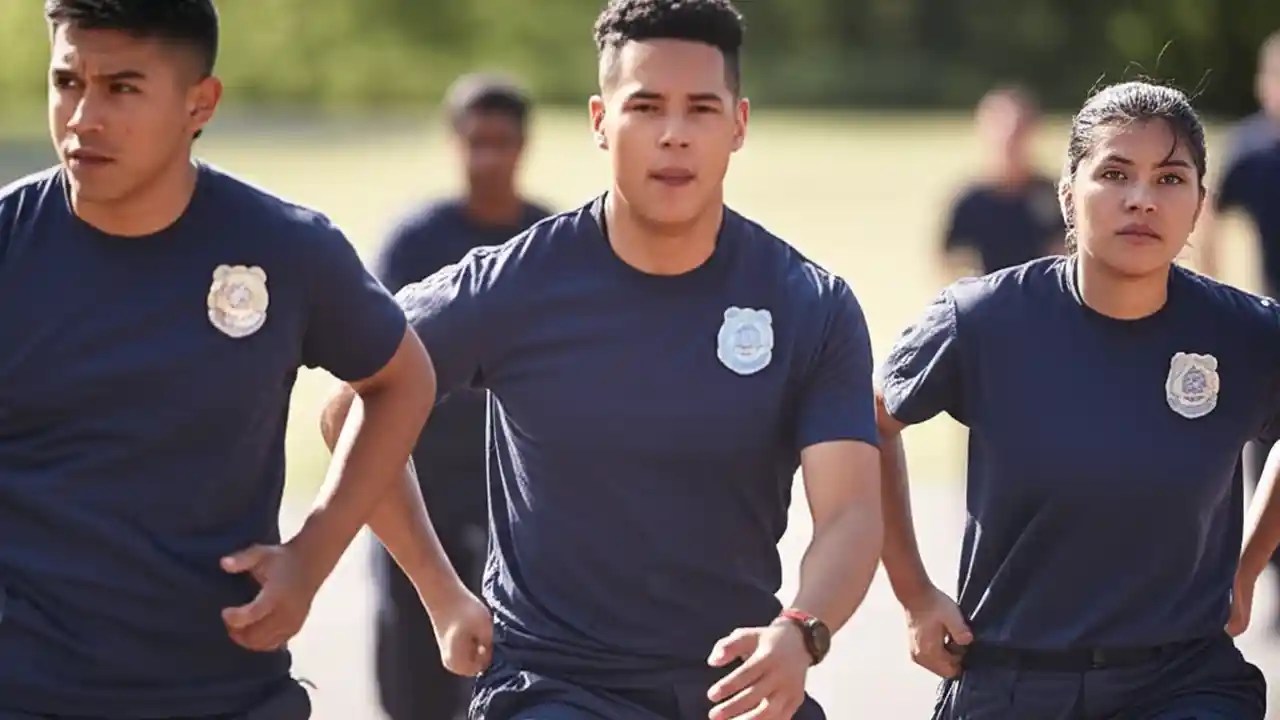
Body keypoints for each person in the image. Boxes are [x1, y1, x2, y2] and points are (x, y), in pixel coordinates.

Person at [320, 1, 884, 719]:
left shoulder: (811, 304)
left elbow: (851, 512)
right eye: (646, 107)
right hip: (553, 687)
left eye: (701, 110)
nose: (674, 135)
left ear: (738, 125)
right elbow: (351, 409)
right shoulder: (514, 282)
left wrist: (801, 632)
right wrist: (441, 592)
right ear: (599, 121)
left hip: (732, 685)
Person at [0, 1, 452, 717]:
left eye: (121, 88)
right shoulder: (9, 244)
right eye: (66, 83)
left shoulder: (288, 249)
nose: (83, 115)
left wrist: (312, 554)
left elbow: (400, 380)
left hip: (226, 692)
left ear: (198, 103)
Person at [875, 80, 1275, 720]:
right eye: (1115, 173)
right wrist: (914, 593)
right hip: (1011, 675)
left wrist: (1249, 565)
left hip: (1185, 680)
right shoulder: (977, 320)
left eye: (1170, 180)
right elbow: (869, 422)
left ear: (1200, 204)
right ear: (1067, 193)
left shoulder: (1249, 333)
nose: (1141, 199)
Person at [361, 73, 551, 720]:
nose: (487, 158)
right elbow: (374, 369)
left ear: (524, 145)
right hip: (423, 480)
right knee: (413, 667)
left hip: (518, 494)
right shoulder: (415, 241)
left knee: (519, 668)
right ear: (454, 142)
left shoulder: (548, 242)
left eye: (502, 142)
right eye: (475, 142)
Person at [1196, 29, 1280, 632]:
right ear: (1263, 83)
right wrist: (1220, 296)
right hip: (1272, 321)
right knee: (1266, 449)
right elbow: (1210, 214)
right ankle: (1269, 578)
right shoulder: (1250, 151)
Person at [940, 85, 1064, 279]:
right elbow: (949, 262)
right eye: (1001, 130)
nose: (1010, 141)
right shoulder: (970, 202)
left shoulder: (1054, 195)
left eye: (1019, 132)